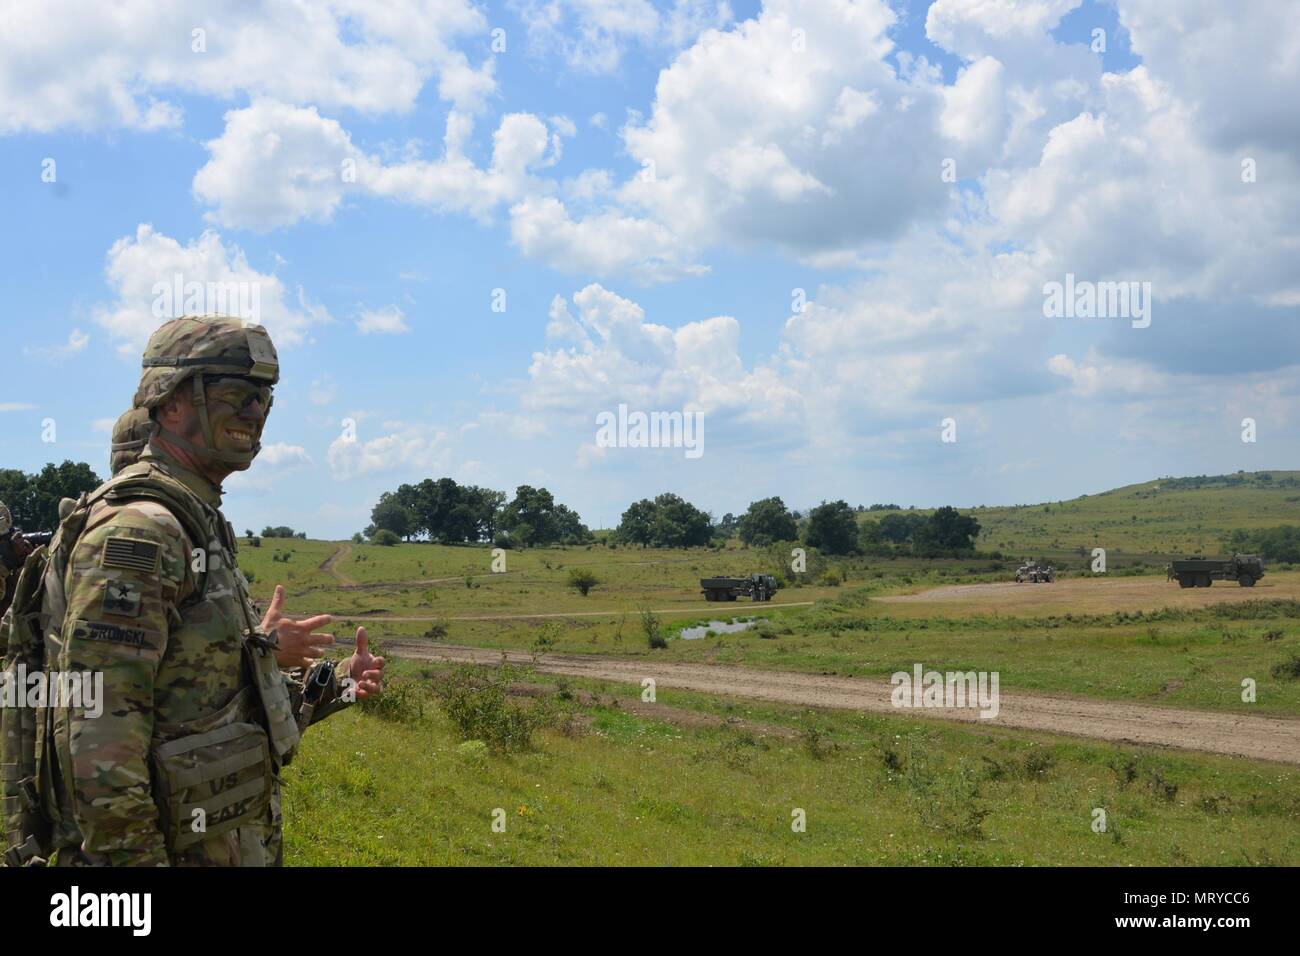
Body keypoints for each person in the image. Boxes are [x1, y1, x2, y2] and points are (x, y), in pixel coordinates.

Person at [35, 315, 383, 866]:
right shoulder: (141, 530)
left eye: (265, 397)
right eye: (236, 392)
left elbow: (214, 707)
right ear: (169, 401)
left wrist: (332, 682)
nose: (256, 411)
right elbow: (99, 733)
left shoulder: (196, 520)